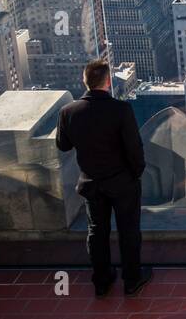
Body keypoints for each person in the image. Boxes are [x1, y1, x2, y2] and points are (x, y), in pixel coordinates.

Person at [56, 59, 152, 297]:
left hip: (91, 182)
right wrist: (135, 174)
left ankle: (101, 281)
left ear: (85, 81)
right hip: (122, 182)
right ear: (108, 82)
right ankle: (131, 280)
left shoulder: (68, 112)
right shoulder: (121, 110)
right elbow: (134, 149)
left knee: (96, 232)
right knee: (128, 231)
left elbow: (63, 145)